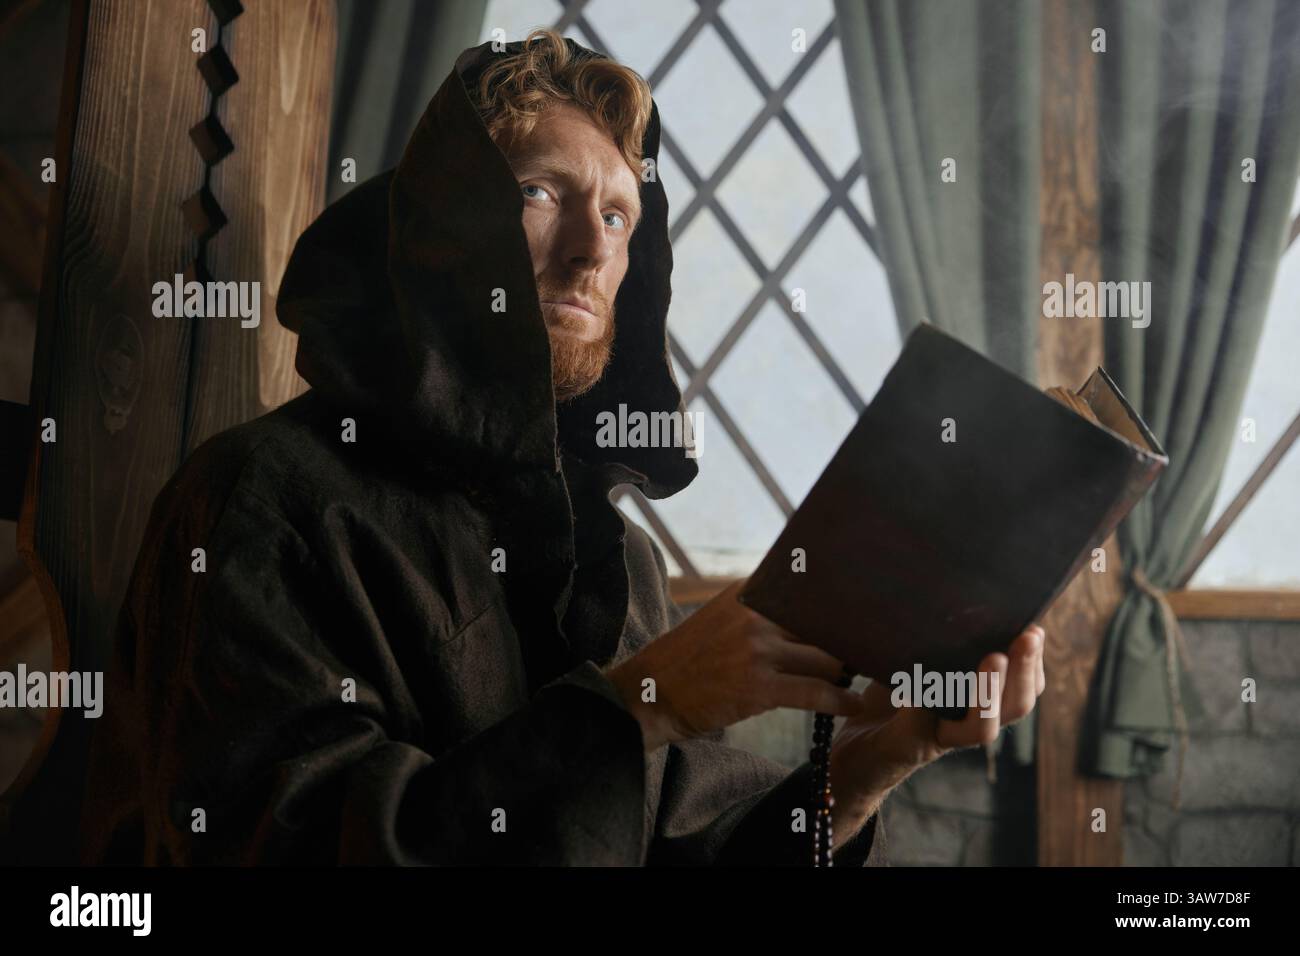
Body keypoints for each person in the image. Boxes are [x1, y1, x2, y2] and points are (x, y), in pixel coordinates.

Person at [80, 29, 1044, 866]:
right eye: (544, 191)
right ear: (445, 226)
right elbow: (290, 850)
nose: (592, 250)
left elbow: (682, 856)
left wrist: (885, 754)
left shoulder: (615, 553)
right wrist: (637, 709)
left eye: (620, 215)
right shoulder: (261, 500)